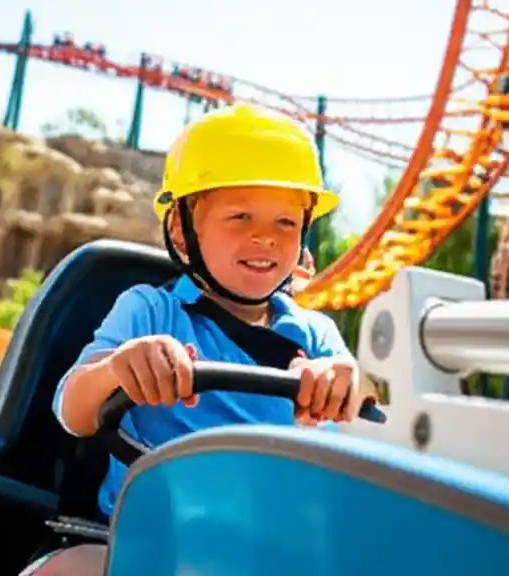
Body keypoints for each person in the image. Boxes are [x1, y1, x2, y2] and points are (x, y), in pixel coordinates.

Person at [28, 105, 362, 575]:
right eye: (241, 216)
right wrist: (119, 367)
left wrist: (340, 382)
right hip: (147, 544)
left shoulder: (317, 334)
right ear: (183, 233)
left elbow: (362, 411)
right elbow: (72, 411)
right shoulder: (148, 311)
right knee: (69, 570)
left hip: (273, 554)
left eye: (285, 222)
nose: (265, 237)